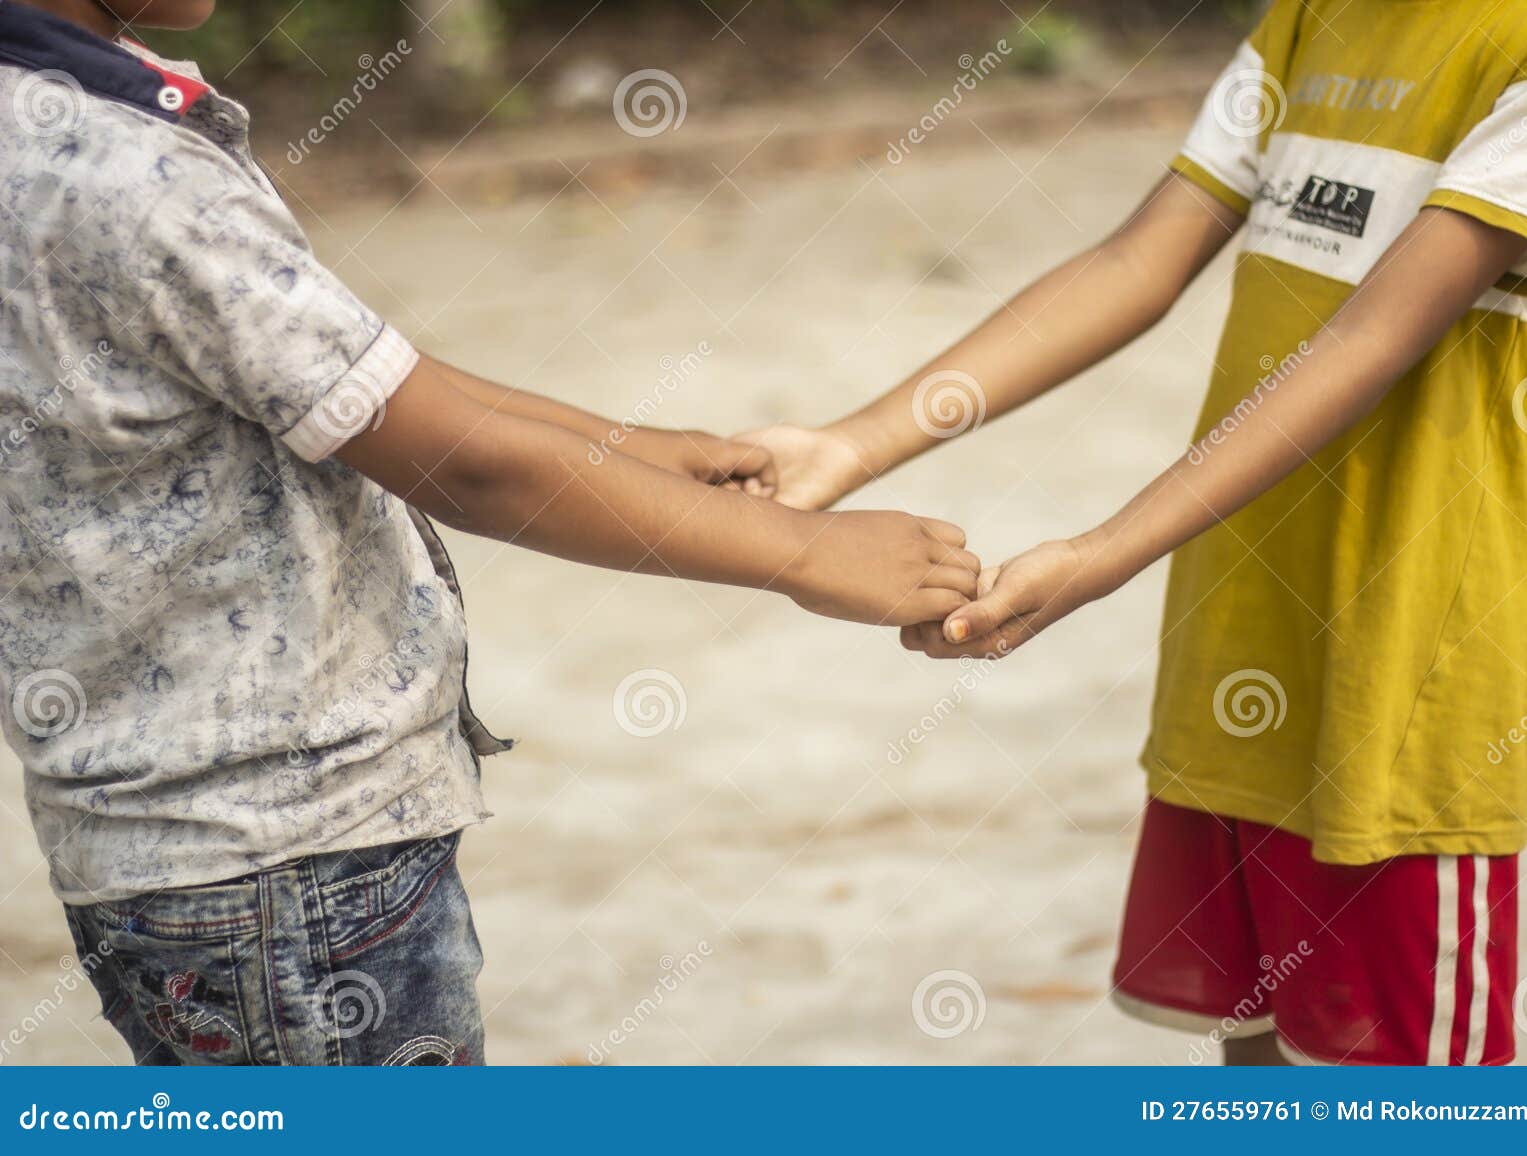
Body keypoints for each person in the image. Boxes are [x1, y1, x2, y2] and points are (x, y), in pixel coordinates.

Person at [0, 0, 980, 1065]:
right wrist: (805, 553)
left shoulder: (45, 121)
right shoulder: (132, 176)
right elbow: (465, 463)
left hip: (155, 852)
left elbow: (370, 380)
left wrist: (640, 445)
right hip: (291, 864)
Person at [747, 0, 1527, 1065]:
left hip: (1412, 667)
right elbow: (1134, 264)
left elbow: (1374, 333)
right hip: (1239, 637)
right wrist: (852, 444)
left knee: (1396, 1088)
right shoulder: (1309, 17)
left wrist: (1106, 552)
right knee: (1254, 1053)